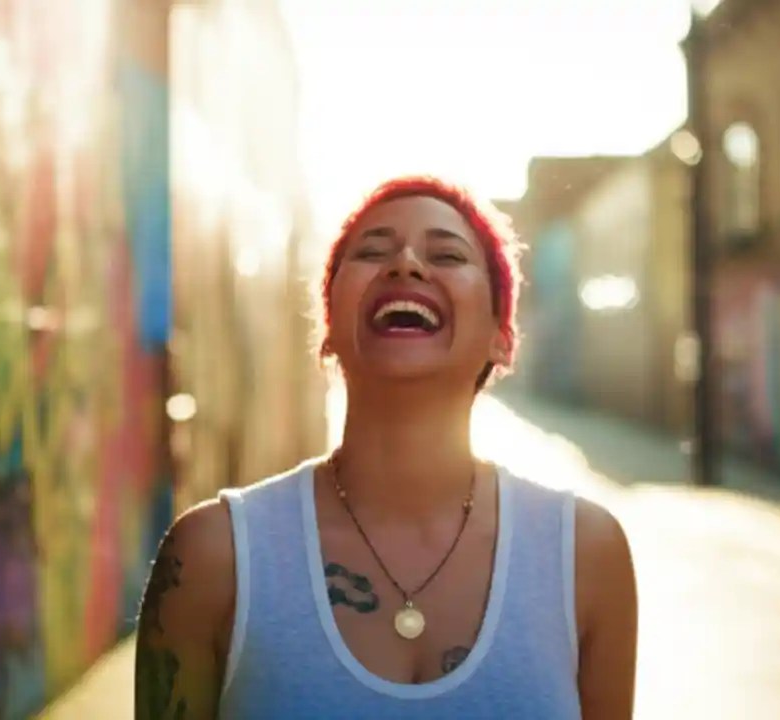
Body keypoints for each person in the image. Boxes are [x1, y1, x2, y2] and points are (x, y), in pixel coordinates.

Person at [135, 176, 638, 719]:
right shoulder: (214, 558)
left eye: (447, 254)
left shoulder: (584, 554)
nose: (406, 264)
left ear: (503, 335)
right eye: (373, 251)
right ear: (327, 327)